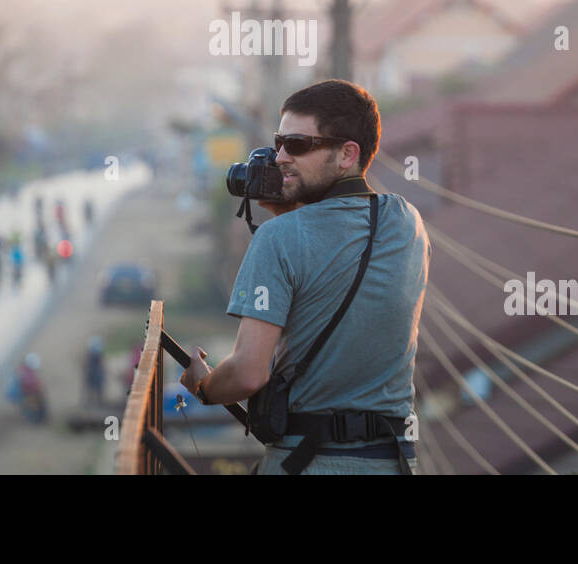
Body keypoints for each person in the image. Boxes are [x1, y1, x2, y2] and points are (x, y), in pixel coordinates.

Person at [178, 80, 426, 475]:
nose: (278, 158)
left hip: (307, 462)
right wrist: (292, 214)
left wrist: (203, 387)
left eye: (297, 145)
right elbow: (338, 262)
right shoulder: (407, 223)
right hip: (392, 462)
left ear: (348, 153)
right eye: (278, 143)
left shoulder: (279, 239)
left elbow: (247, 374)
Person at [83, 336, 105, 408]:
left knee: (94, 387)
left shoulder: (91, 352)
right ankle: (96, 402)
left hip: (93, 372)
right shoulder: (94, 351)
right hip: (94, 372)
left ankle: (94, 402)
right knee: (95, 387)